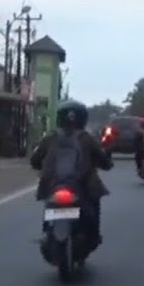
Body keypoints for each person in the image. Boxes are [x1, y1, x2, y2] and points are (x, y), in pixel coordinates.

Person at [30, 100, 114, 250]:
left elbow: (35, 160)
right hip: (83, 185)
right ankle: (93, 236)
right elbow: (104, 161)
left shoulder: (51, 137)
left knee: (49, 205)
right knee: (94, 206)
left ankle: (47, 231)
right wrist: (106, 163)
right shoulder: (87, 138)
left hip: (53, 184)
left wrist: (42, 169)